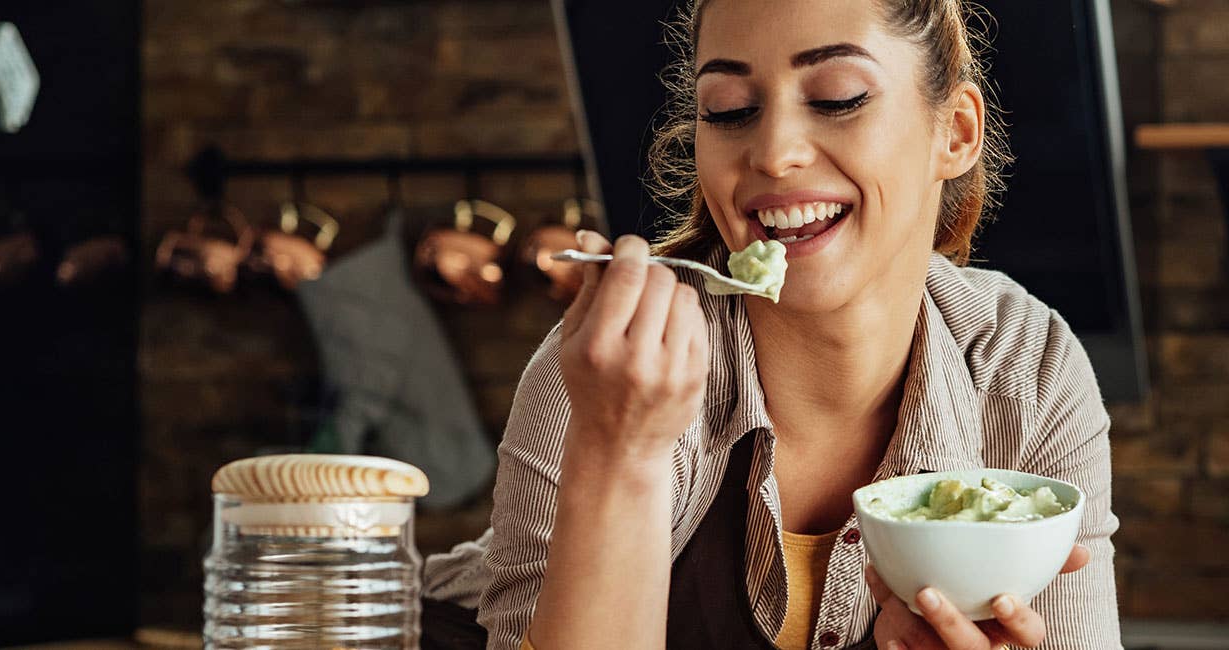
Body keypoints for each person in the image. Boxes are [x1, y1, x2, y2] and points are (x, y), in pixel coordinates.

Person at [421, 0, 1121, 647]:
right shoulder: (610, 373)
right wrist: (620, 455)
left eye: (838, 98)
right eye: (727, 110)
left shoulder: (1026, 367)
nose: (775, 152)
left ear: (956, 132)